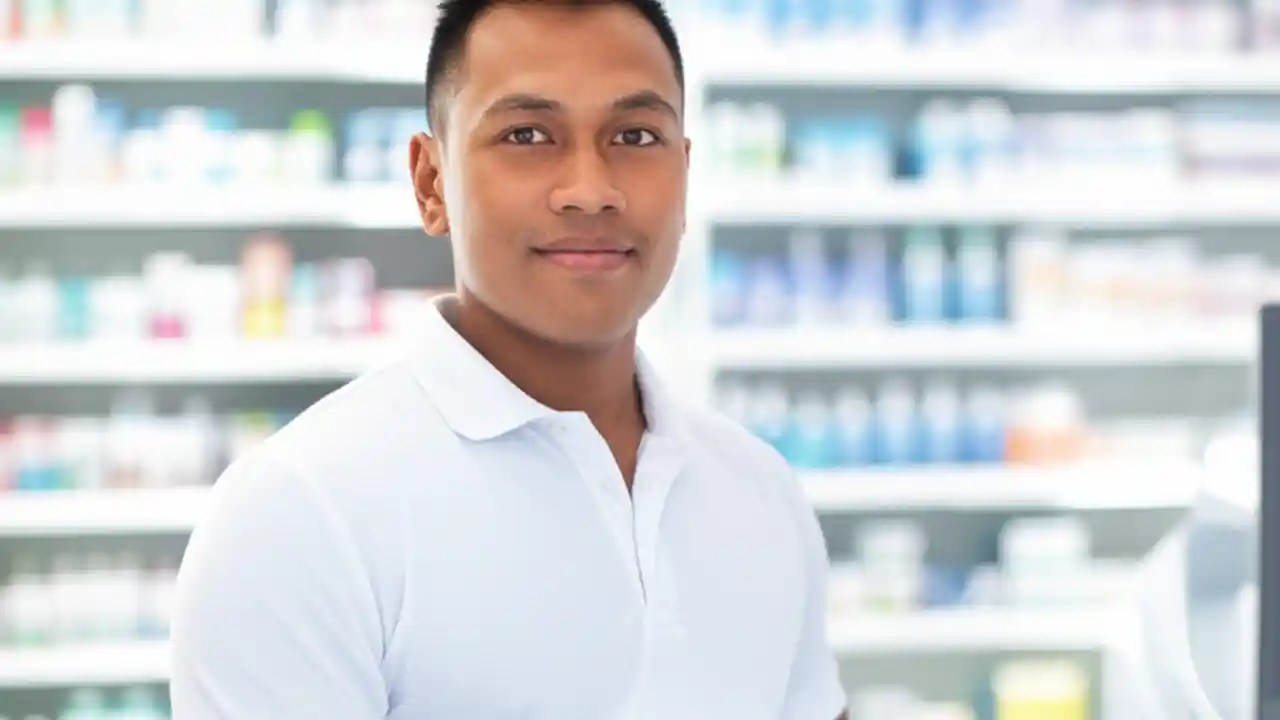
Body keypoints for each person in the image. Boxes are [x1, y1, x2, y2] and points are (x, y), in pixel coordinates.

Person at [170, 1, 848, 718]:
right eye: (527, 134)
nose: (590, 190)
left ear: (684, 174)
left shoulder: (759, 492)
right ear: (432, 183)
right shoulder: (299, 516)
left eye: (635, 135)